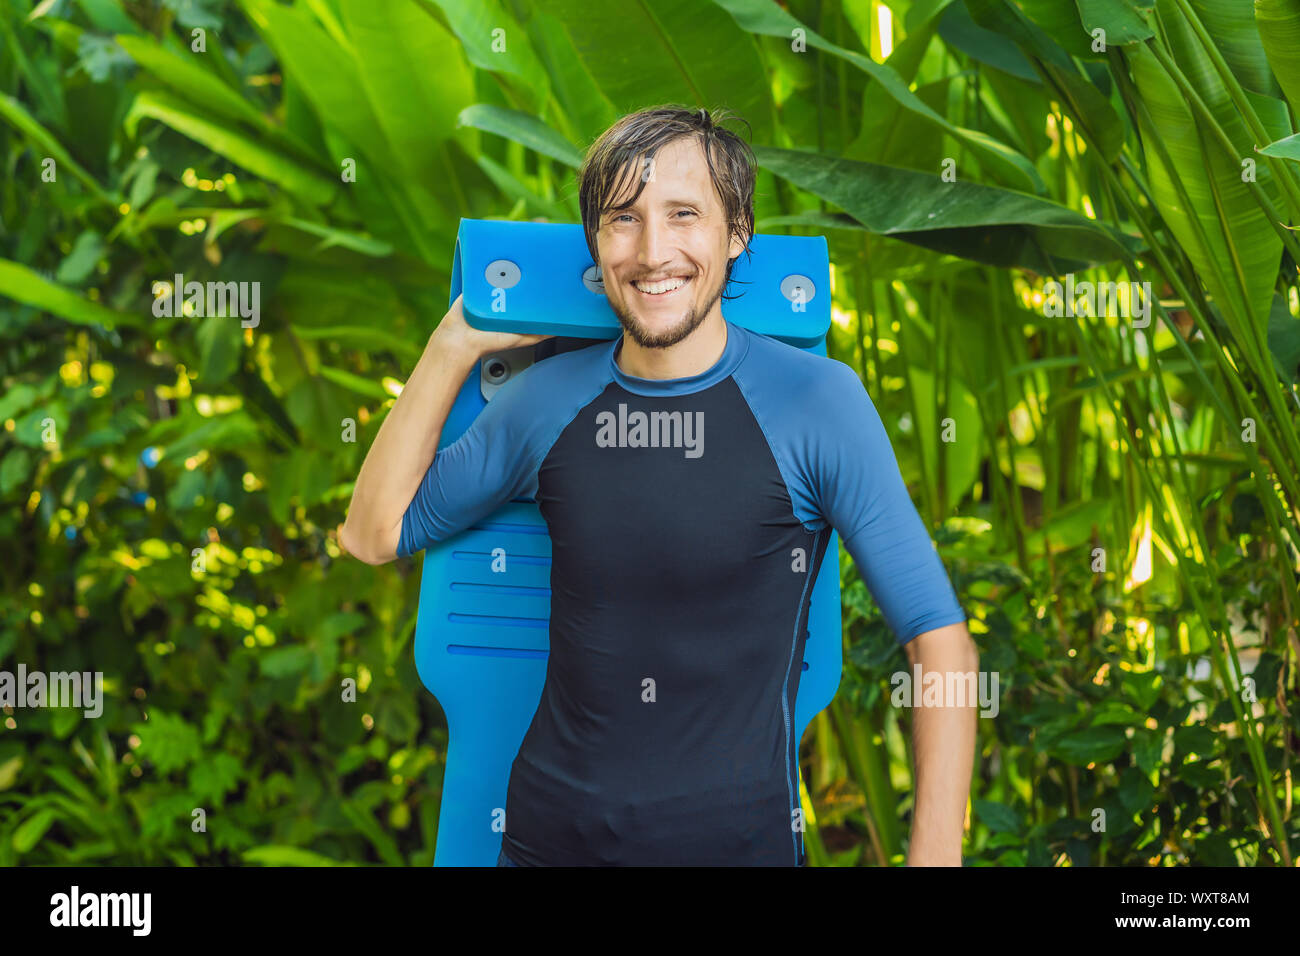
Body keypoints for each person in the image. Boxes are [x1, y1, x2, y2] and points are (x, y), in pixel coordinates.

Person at [340, 105, 977, 867]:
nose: (653, 251)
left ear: (736, 230)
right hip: (547, 845)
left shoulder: (818, 404)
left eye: (684, 214)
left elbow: (941, 648)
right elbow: (372, 534)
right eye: (621, 219)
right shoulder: (547, 402)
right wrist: (453, 343)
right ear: (596, 241)